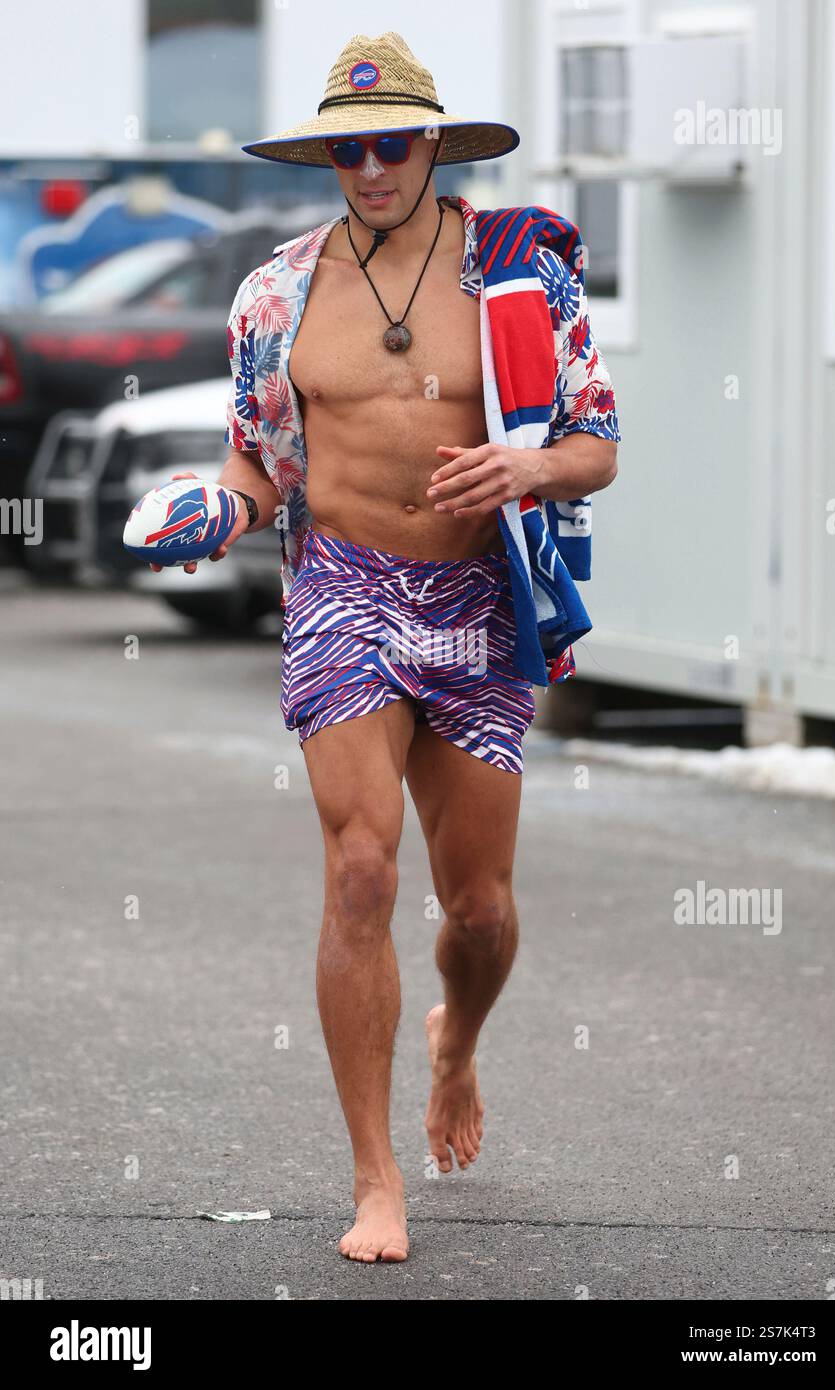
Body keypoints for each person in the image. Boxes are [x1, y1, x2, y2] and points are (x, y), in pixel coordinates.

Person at [158, 32, 620, 1263]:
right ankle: (374, 1182)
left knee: (477, 910)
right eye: (344, 147)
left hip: (478, 599)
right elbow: (255, 455)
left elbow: (596, 444)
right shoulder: (276, 291)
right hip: (343, 591)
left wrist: (528, 462)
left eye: (389, 142)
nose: (367, 166)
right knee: (361, 869)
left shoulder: (518, 280)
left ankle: (454, 1043)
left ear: (430, 144)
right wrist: (224, 508)